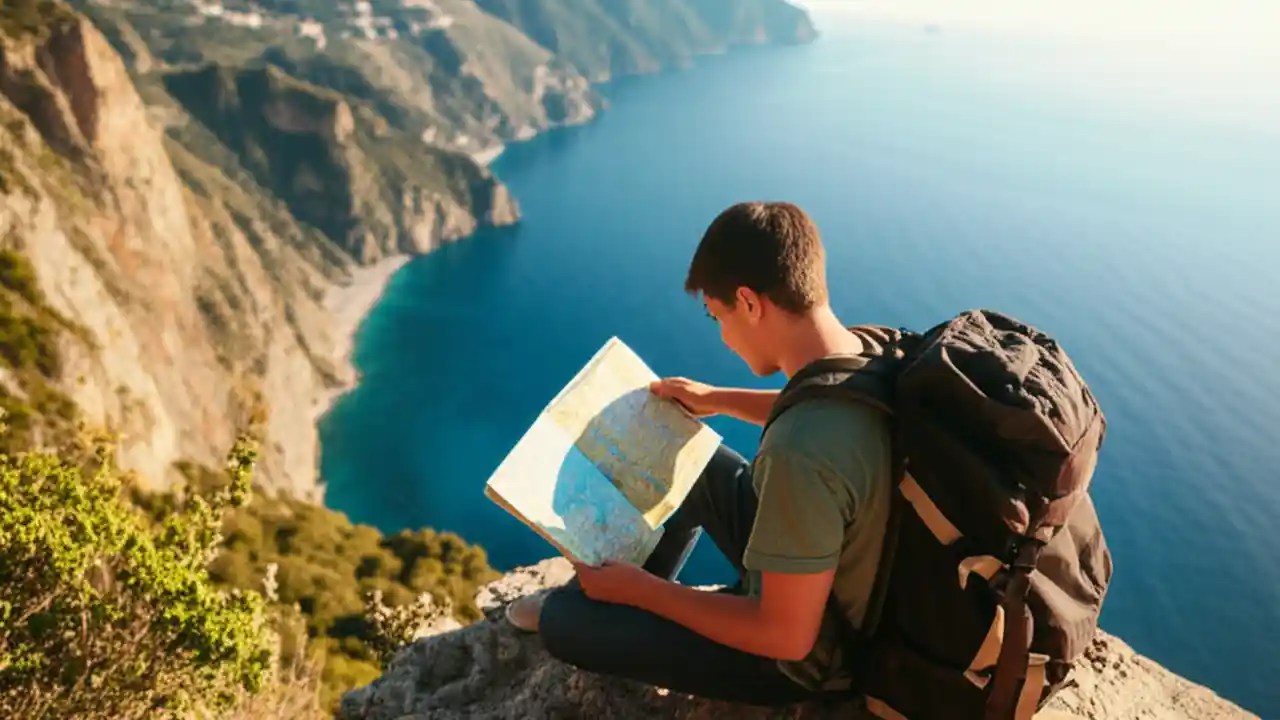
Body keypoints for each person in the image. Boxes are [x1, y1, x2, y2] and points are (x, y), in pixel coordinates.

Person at [504, 201, 893, 706]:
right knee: (692, 460)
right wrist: (719, 400)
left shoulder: (800, 453)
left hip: (811, 659)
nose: (724, 337)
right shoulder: (873, 352)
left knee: (565, 625)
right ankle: (622, 591)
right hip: (852, 573)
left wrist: (643, 593)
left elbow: (785, 638)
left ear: (750, 303)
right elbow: (827, 407)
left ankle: (604, 601)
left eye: (717, 317)